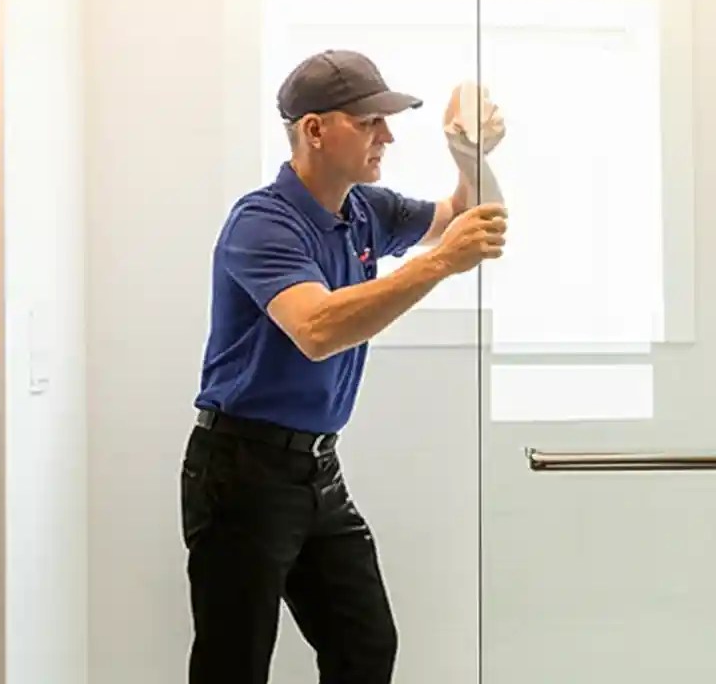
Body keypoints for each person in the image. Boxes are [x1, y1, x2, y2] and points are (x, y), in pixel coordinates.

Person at [180, 49, 507, 684]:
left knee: (365, 646)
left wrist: (469, 151)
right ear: (314, 130)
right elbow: (317, 328)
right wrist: (437, 264)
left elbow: (472, 218)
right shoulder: (262, 222)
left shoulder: (365, 209)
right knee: (233, 665)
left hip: (315, 470)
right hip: (241, 471)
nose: (386, 135)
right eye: (368, 121)